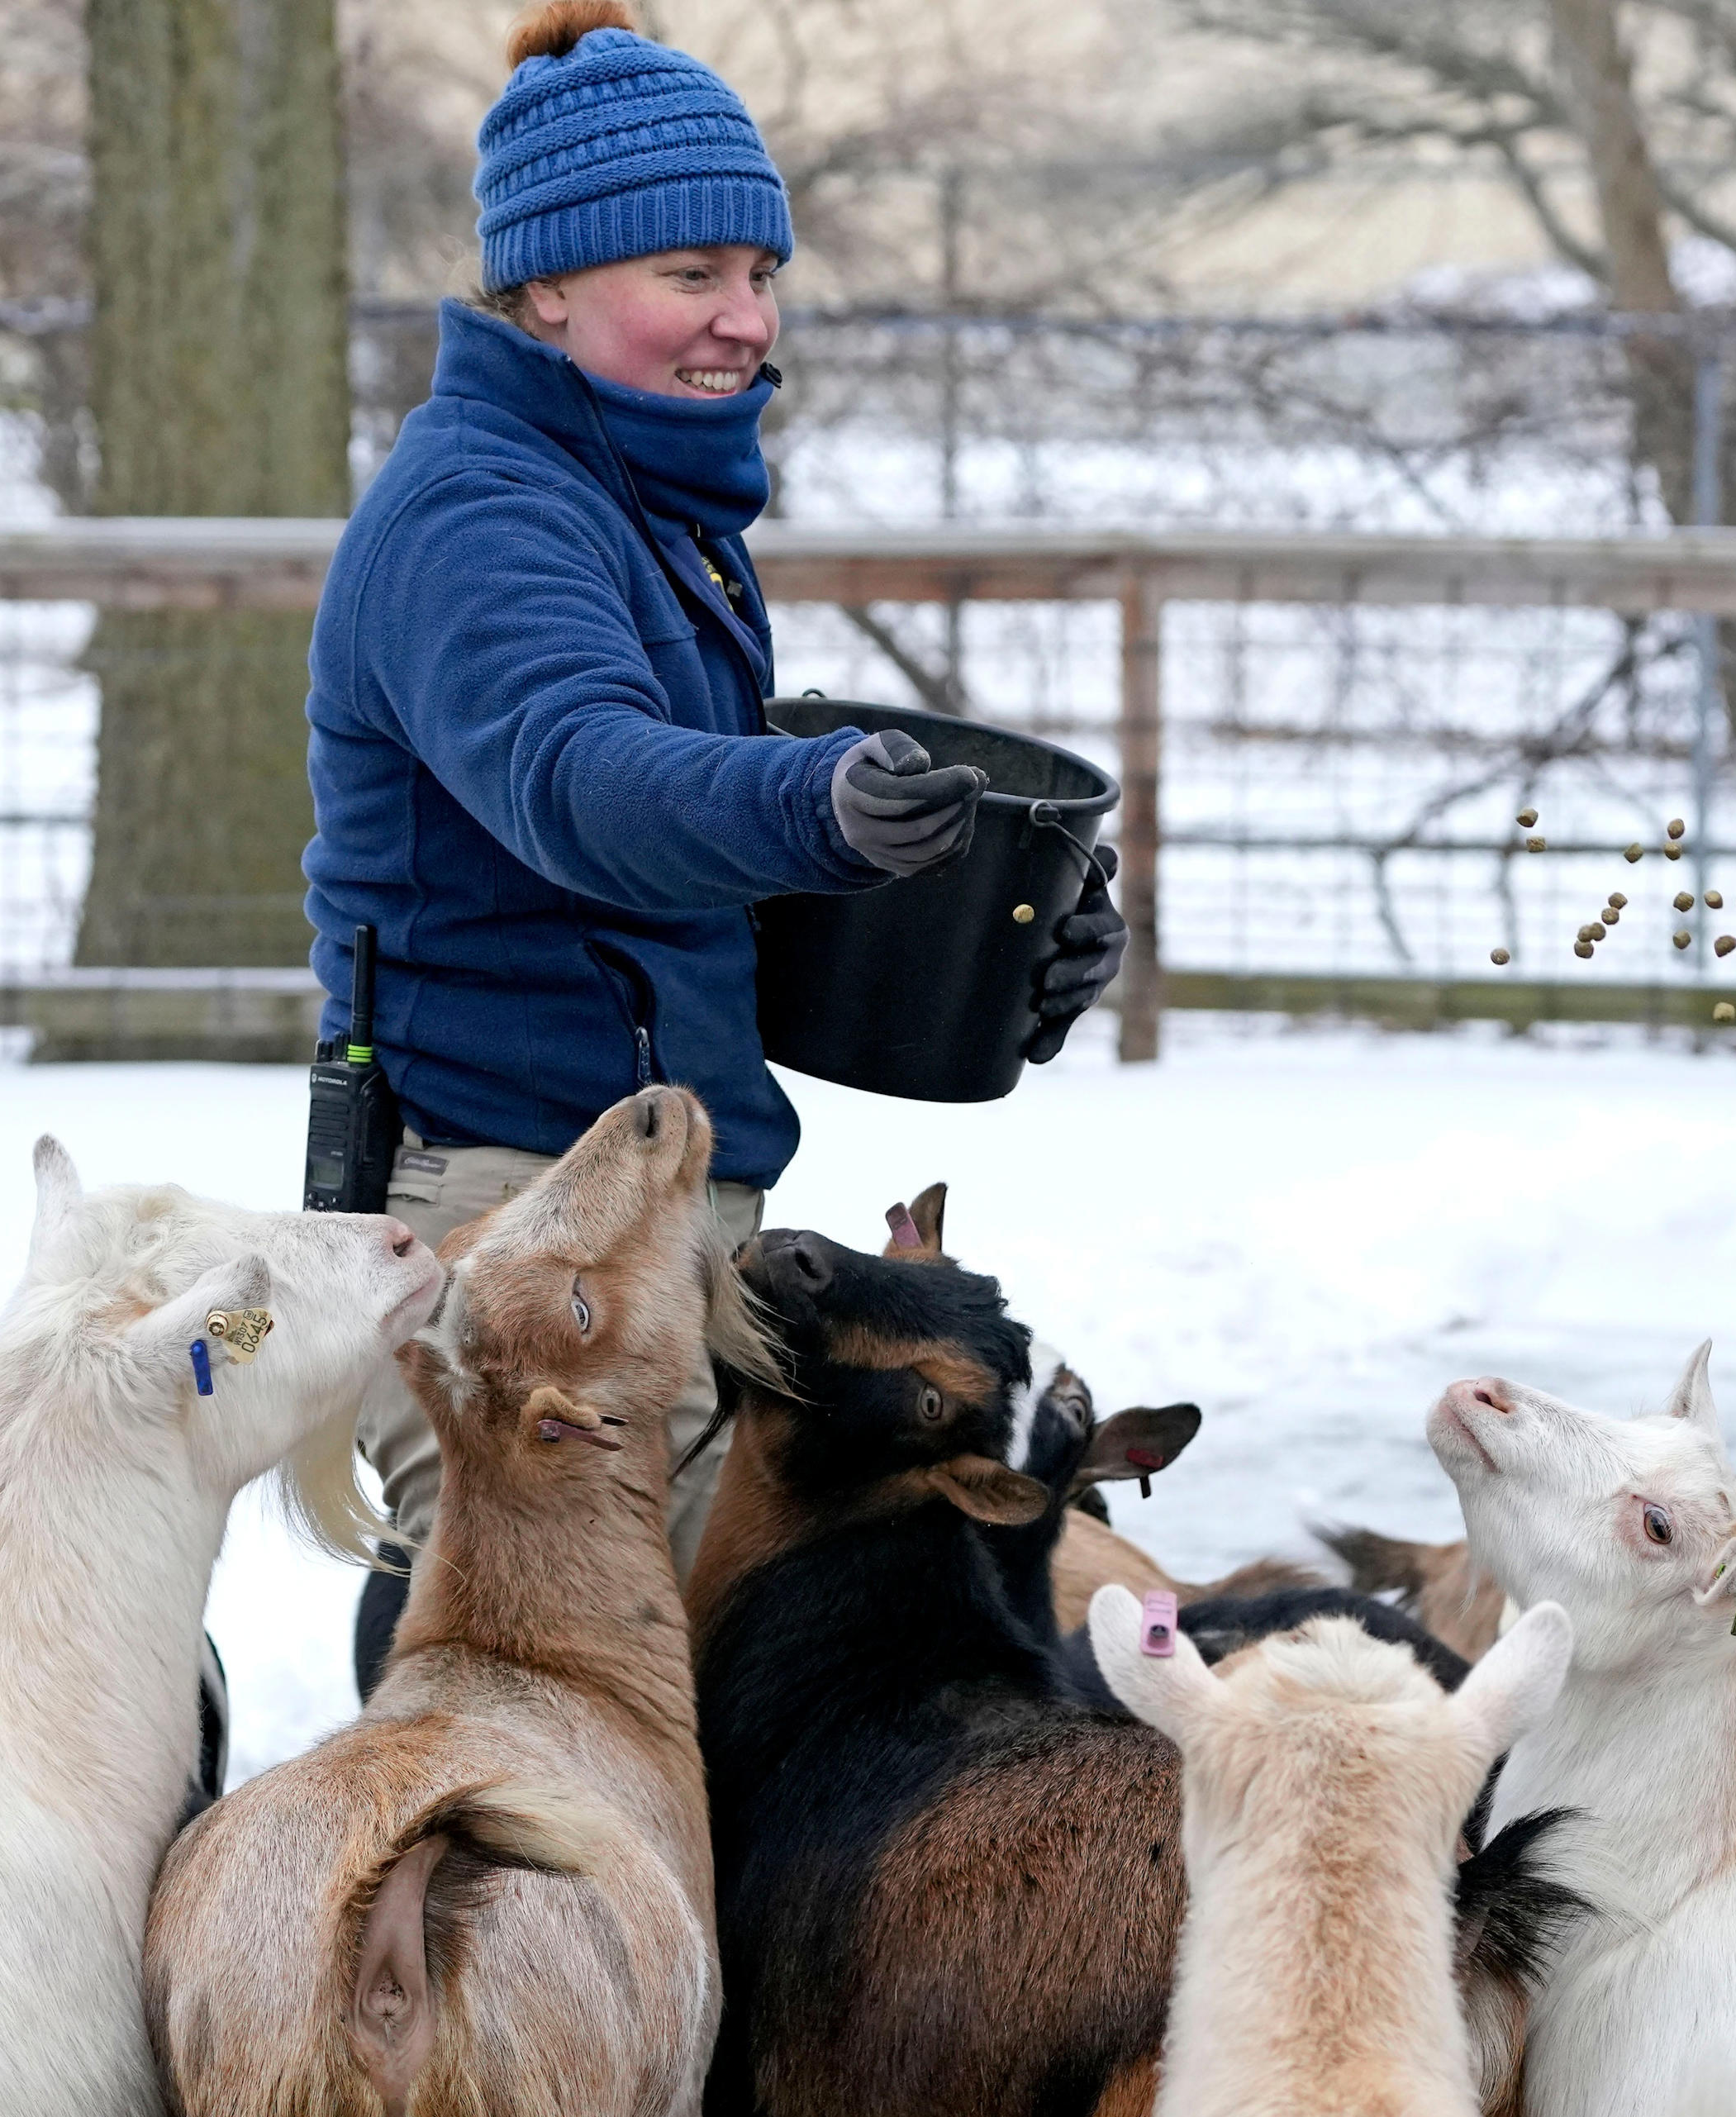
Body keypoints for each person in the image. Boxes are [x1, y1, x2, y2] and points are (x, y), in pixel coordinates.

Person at [307, 0, 1128, 1688]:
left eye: (759, 275)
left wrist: (982, 945)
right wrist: (808, 801)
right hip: (511, 1222)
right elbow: (578, 781)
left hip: (668, 1208)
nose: (741, 322)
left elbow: (664, 913)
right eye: (688, 276)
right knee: (608, 1708)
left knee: (826, 1665)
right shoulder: (485, 510)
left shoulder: (639, 507)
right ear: (544, 284)